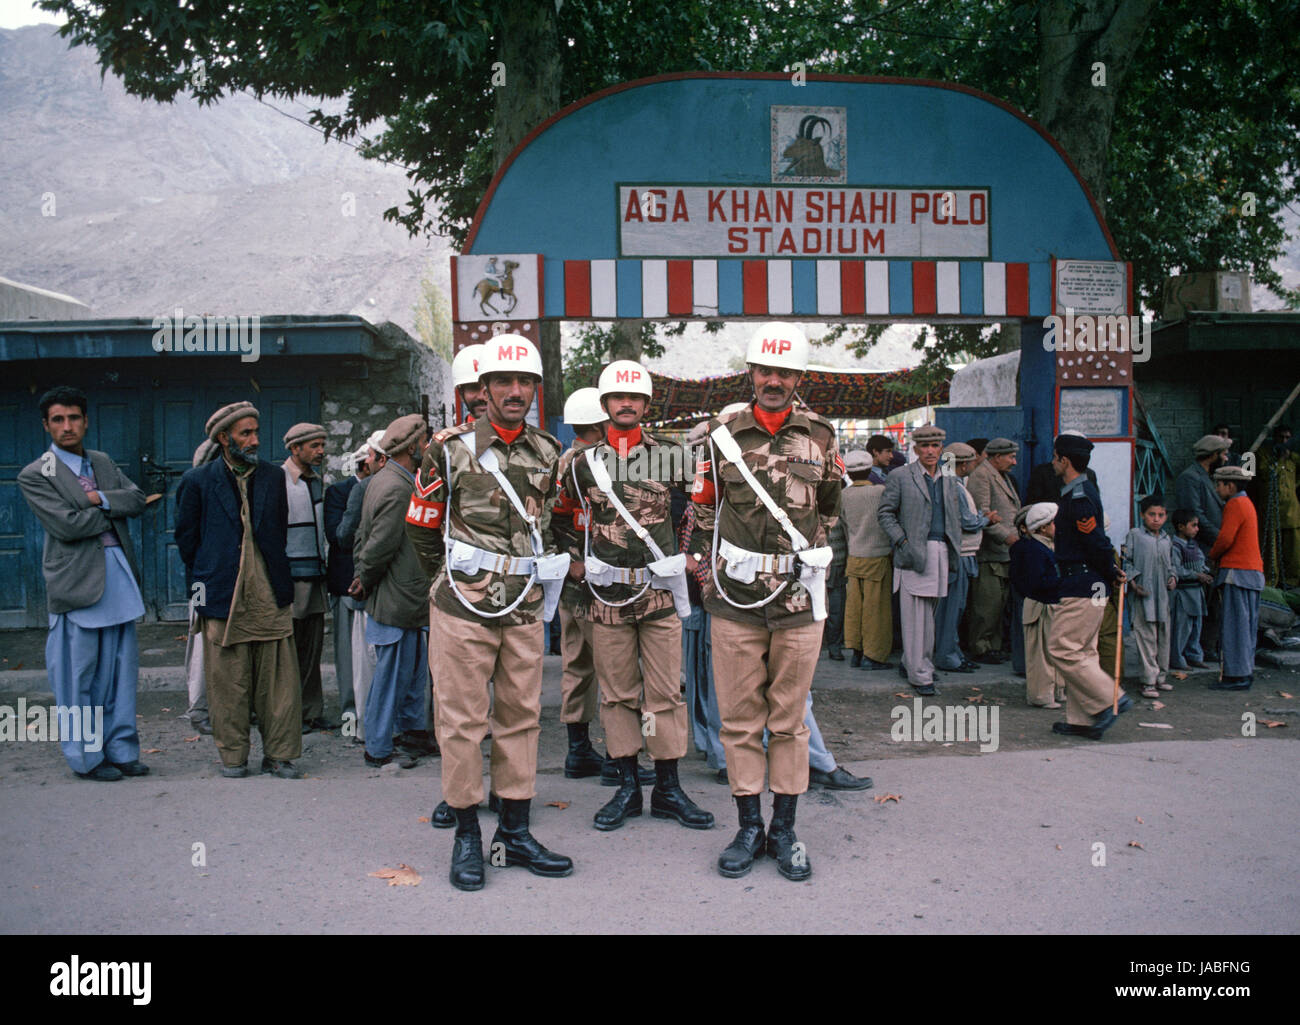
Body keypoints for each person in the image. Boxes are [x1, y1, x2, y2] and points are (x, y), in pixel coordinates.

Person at [406, 334, 573, 891]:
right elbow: (422, 525)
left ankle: (516, 833)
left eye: (526, 382)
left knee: (522, 718)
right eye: (504, 382)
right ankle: (467, 839)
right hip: (462, 607)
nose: (515, 391)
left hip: (523, 608)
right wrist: (450, 579)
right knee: (461, 722)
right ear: (483, 389)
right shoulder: (448, 448)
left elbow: (551, 523)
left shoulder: (548, 452)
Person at [689, 322, 842, 881]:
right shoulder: (719, 432)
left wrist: (811, 558)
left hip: (799, 598)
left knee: (789, 721)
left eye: (785, 372)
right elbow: (704, 507)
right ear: (751, 373)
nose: (773, 380)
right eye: (765, 370)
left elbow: (829, 505)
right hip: (734, 599)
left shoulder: (822, 436)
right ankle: (748, 824)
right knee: (739, 719)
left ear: (799, 377)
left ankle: (785, 829)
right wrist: (706, 574)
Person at [557, 360, 711, 833]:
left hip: (660, 593)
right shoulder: (581, 464)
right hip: (607, 597)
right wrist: (573, 564)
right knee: (618, 695)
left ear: (645, 405)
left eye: (635, 398)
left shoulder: (671, 456)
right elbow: (559, 517)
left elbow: (705, 505)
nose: (626, 404)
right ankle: (627, 784)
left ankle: (667, 787)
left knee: (665, 692)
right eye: (617, 398)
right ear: (604, 406)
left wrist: (694, 557)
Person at [17, 385, 149, 781]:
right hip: (76, 583)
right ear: (46, 426)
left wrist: (95, 499)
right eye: (58, 419)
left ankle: (122, 750)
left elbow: (138, 499)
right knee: (79, 677)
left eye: (74, 417)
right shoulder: (36, 473)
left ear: (86, 421)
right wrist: (110, 506)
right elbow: (67, 526)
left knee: (121, 672)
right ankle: (86, 758)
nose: (67, 426)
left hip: (117, 575)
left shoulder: (101, 462)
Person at [175, 401, 302, 778]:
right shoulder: (197, 481)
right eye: (245, 433)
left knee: (279, 684)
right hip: (221, 597)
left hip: (268, 595)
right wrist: (202, 592)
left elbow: (277, 532)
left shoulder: (272, 477)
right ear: (223, 438)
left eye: (255, 432)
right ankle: (233, 756)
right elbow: (187, 542)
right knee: (228, 684)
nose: (253, 440)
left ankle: (279, 755)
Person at [352, 414, 432, 767]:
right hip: (398, 597)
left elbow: (363, 536)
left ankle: (411, 736)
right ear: (411, 446)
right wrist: (364, 577)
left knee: (410, 674)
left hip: (405, 597)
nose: (428, 447)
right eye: (424, 441)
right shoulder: (398, 487)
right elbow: (380, 543)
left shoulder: (385, 479)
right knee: (389, 677)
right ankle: (380, 748)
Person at [1046, 433, 1131, 740]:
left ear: (1064, 460)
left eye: (1055, 457)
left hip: (1082, 581)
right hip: (1090, 581)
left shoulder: (1078, 496)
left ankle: (1110, 699)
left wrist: (1109, 569)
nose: (1052, 462)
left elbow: (1094, 541)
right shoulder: (1081, 490)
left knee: (1062, 648)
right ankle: (1082, 719)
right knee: (1083, 651)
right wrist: (1109, 571)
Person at [877, 424, 964, 697]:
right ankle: (920, 674)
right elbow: (885, 514)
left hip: (941, 551)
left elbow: (954, 515)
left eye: (935, 446)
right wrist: (903, 542)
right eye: (924, 446)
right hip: (914, 551)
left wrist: (954, 547)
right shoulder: (901, 475)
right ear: (915, 449)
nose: (930, 451)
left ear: (941, 449)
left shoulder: (948, 477)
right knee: (916, 616)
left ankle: (914, 663)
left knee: (931, 616)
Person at [281, 423, 335, 733]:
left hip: (315, 574)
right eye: (314, 446)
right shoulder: (280, 481)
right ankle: (289, 713)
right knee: (289, 649)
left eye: (322, 445)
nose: (320, 451)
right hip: (292, 576)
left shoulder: (315, 482)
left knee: (312, 647)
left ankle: (311, 711)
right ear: (295, 448)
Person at [338, 431, 386, 743]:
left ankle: (368, 731)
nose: (364, 464)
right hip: (402, 593)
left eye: (369, 457)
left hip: (370, 590)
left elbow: (346, 535)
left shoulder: (366, 488)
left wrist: (361, 577)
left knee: (366, 664)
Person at [935, 442, 994, 674]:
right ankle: (948, 656)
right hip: (959, 555)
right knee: (952, 609)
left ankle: (953, 653)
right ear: (963, 464)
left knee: (953, 608)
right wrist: (986, 518)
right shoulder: (955, 487)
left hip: (958, 554)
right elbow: (968, 522)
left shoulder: (949, 483)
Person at [324, 440, 371, 731]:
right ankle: (351, 716)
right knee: (348, 654)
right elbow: (337, 536)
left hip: (377, 583)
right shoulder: (339, 492)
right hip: (346, 583)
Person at [964, 438, 1020, 663]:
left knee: (998, 603)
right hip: (990, 553)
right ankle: (981, 646)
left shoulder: (1000, 475)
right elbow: (983, 513)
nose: (1014, 462)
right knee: (987, 604)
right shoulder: (982, 476)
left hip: (1003, 553)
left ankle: (993, 646)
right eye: (1011, 457)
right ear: (997, 457)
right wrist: (1008, 537)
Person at [1175, 434, 1231, 660]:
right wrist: (1221, 538)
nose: (1226, 458)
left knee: (1213, 601)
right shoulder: (1190, 478)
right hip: (1200, 550)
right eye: (1223, 453)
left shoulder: (1208, 477)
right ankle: (1197, 650)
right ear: (1213, 455)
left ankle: (1208, 647)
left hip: (1212, 548)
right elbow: (1195, 514)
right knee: (1202, 602)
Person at [1207, 465, 1263, 690]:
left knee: (1234, 626)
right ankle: (1244, 671)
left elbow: (1225, 539)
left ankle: (1235, 676)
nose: (1217, 489)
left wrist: (1212, 556)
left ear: (1230, 486)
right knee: (1247, 626)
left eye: (1219, 484)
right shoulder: (1247, 503)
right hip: (1252, 572)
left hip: (1236, 572)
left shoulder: (1234, 504)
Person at [841, 450, 892, 670]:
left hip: (854, 556)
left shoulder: (843, 495)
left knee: (854, 608)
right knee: (876, 609)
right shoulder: (881, 491)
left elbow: (843, 526)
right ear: (870, 470)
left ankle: (856, 651)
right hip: (877, 556)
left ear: (849, 474)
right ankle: (873, 656)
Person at [1123, 495, 1176, 699]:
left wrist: (1173, 578)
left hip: (1162, 598)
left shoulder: (1166, 539)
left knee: (1163, 637)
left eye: (1160, 515)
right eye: (1151, 514)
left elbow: (1172, 565)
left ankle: (1161, 677)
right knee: (1146, 638)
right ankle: (1148, 681)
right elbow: (1126, 562)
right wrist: (1134, 582)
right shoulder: (1135, 535)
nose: (1156, 519)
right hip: (1143, 596)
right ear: (1142, 515)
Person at [184, 438, 220, 734]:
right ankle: (199, 708)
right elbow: (188, 538)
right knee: (202, 645)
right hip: (205, 580)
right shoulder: (196, 484)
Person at [1009, 502, 1061, 708]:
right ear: (1043, 527)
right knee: (1040, 654)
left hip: (1049, 604)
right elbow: (1035, 581)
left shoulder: (1046, 547)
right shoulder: (1034, 550)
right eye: (1053, 523)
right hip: (1040, 606)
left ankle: (1056, 690)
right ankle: (1041, 695)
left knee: (1052, 651)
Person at [1257, 424, 1300, 587]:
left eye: (1287, 438)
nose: (1284, 441)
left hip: (1292, 512)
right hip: (1272, 511)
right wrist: (1279, 458)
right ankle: (1271, 582)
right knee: (1272, 551)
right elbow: (1263, 474)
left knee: (1293, 550)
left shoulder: (1293, 457)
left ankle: (1291, 581)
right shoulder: (1264, 455)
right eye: (1281, 437)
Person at [1169, 508, 1212, 670]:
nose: (1197, 529)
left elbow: (1201, 562)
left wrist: (1206, 573)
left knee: (1196, 627)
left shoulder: (1193, 545)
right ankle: (1177, 659)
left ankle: (1194, 656)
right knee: (1181, 628)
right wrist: (1197, 575)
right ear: (1181, 527)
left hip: (1196, 593)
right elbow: (1177, 570)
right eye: (1193, 525)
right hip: (1183, 594)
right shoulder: (1175, 546)